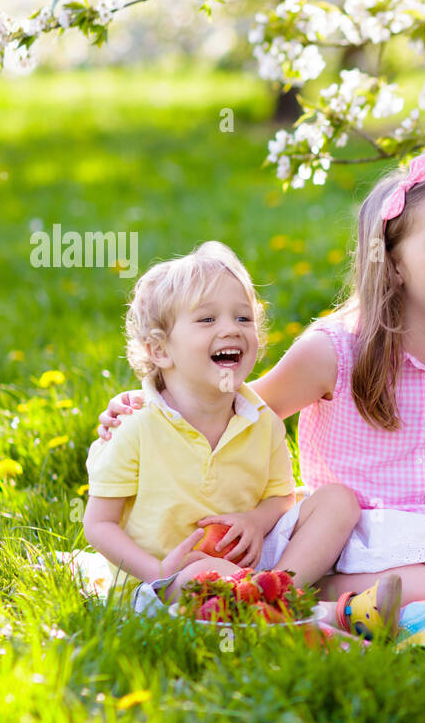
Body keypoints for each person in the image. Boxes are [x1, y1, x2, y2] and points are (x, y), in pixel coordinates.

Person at [97, 155, 425, 638]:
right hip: (362, 527)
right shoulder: (333, 350)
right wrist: (150, 402)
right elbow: (246, 402)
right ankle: (302, 591)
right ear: (393, 263)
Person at [83, 241, 360, 607]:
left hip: (245, 558)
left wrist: (255, 522)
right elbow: (98, 524)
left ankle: (281, 590)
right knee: (200, 574)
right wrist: (157, 570)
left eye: (243, 318)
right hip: (164, 578)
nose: (231, 329)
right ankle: (271, 602)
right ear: (161, 350)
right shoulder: (137, 425)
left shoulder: (261, 420)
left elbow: (280, 497)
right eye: (207, 319)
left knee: (339, 500)